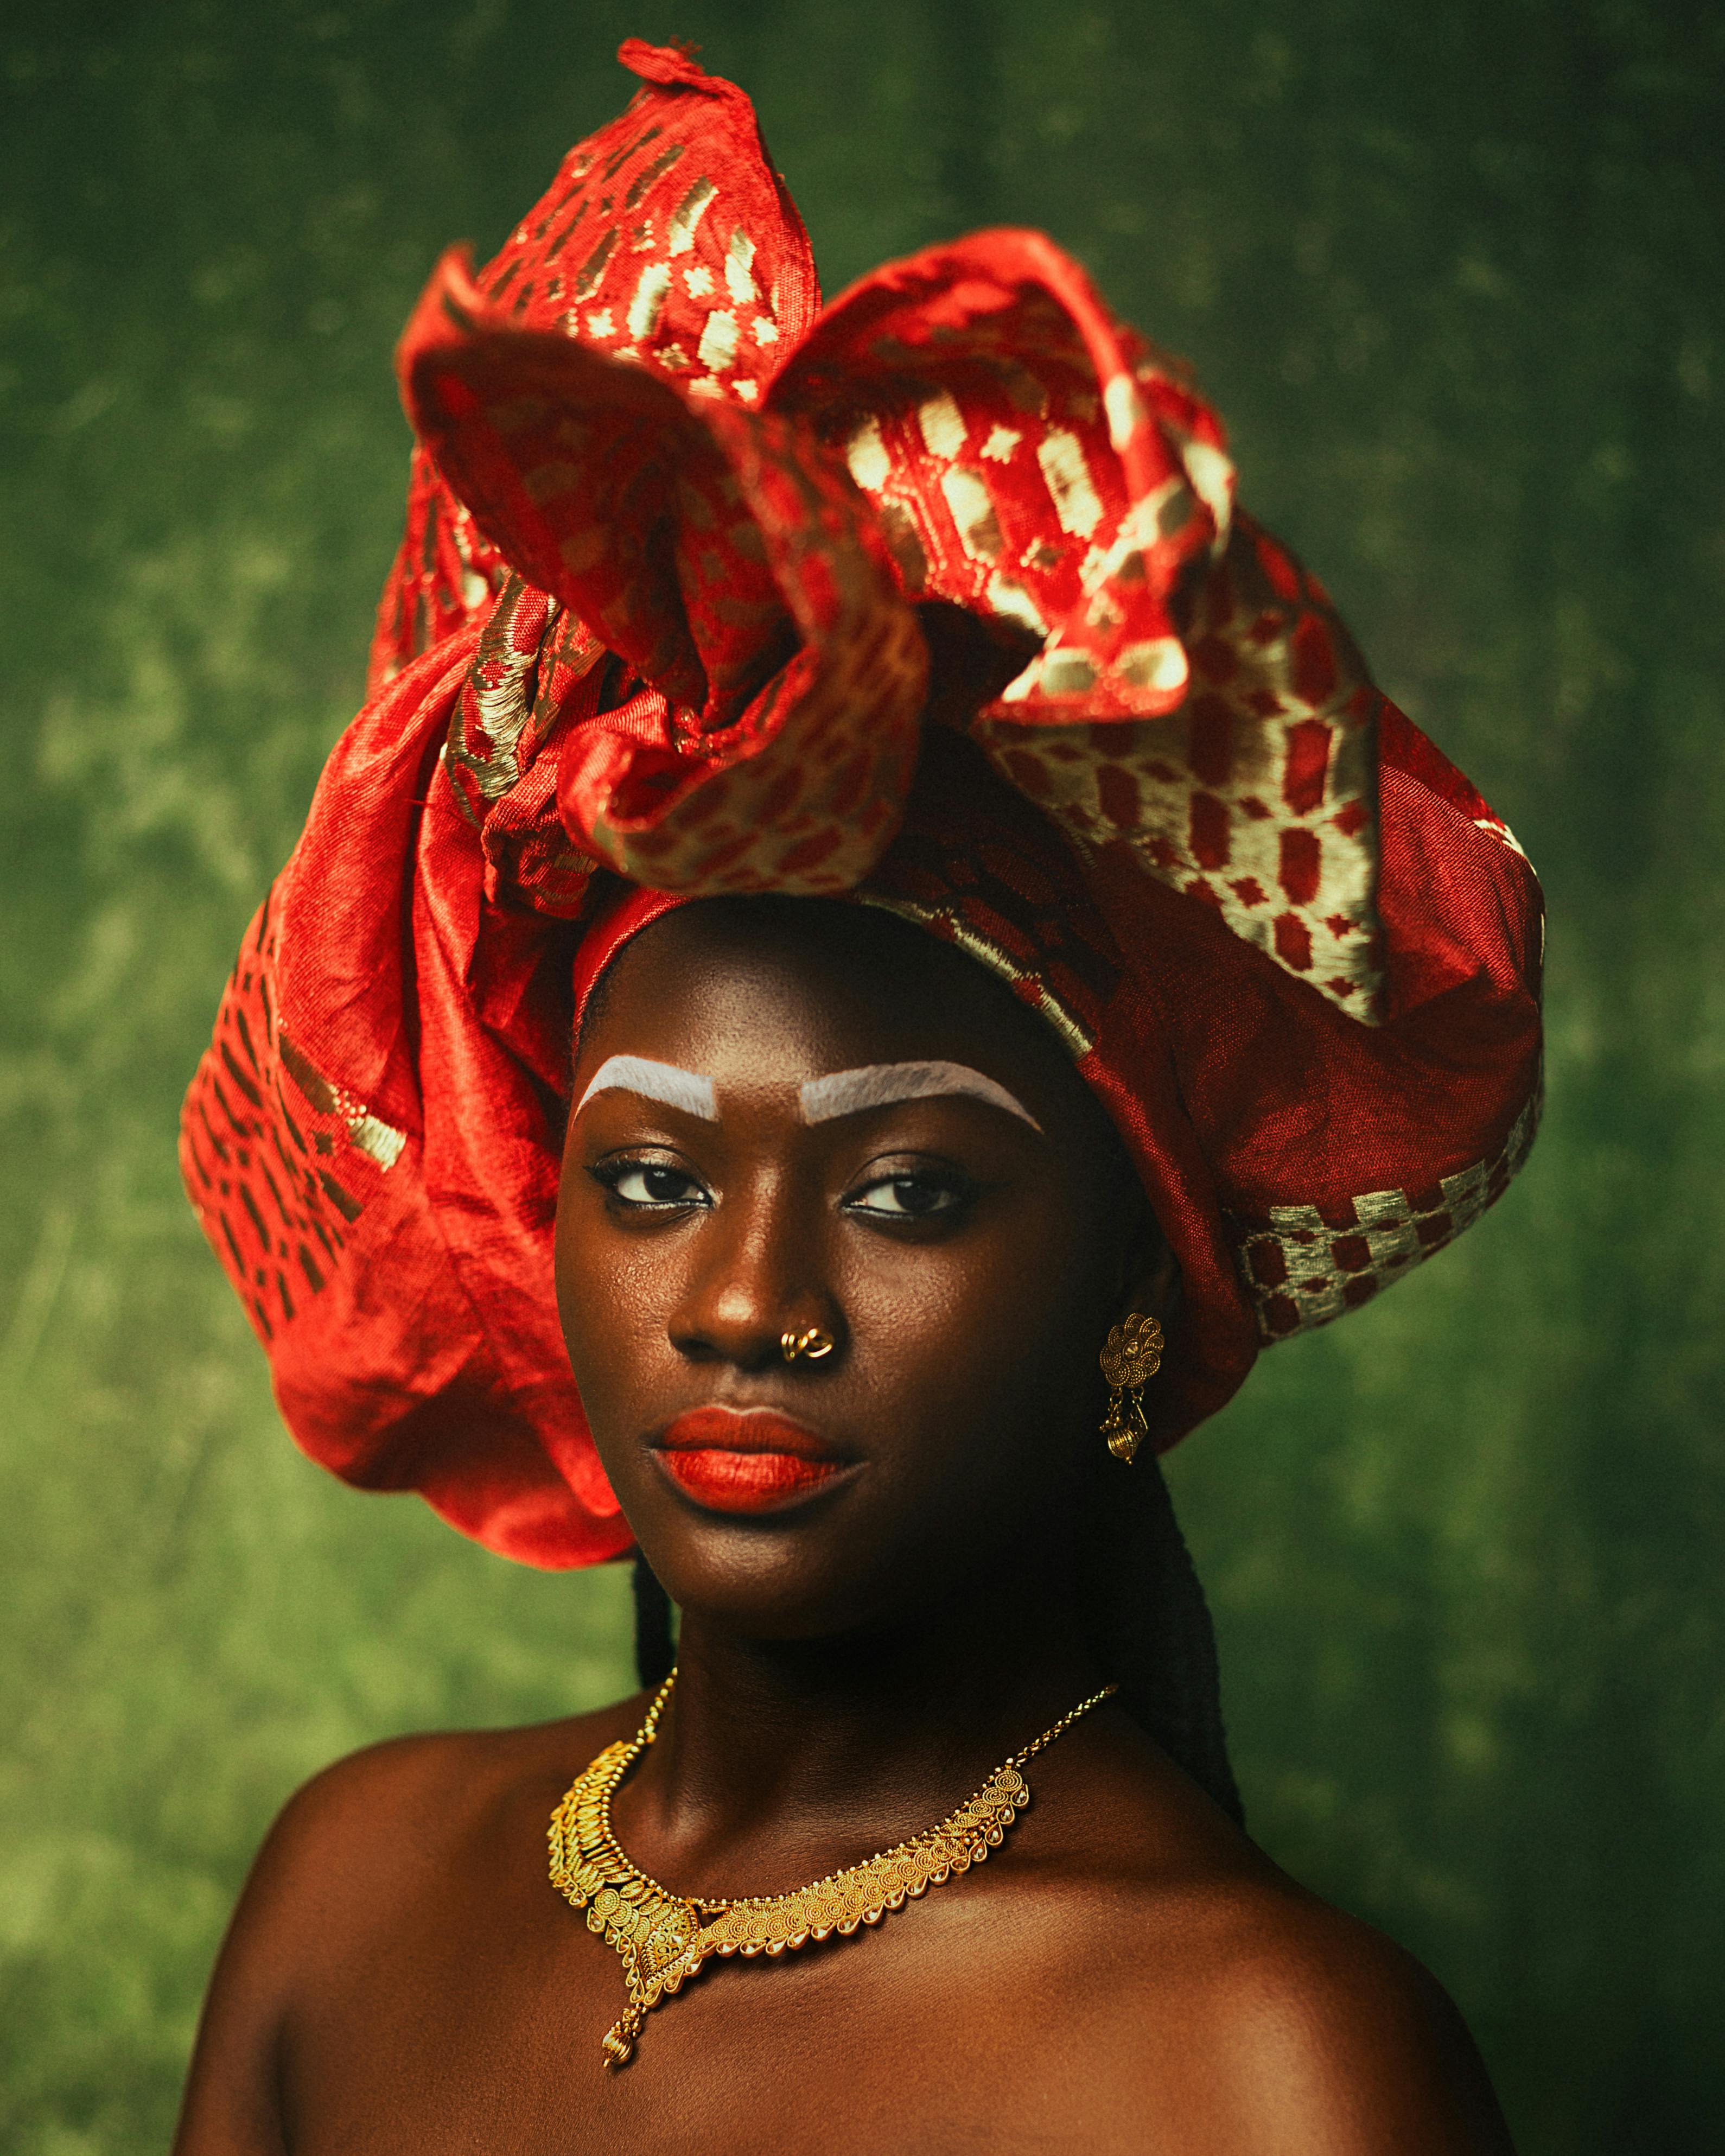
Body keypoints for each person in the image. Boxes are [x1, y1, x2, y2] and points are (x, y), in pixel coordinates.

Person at [171, 39, 1541, 2154]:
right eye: (649, 1178)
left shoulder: (1264, 2063)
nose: (745, 1305)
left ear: (1136, 1290)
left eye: (904, 1192)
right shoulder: (347, 1892)